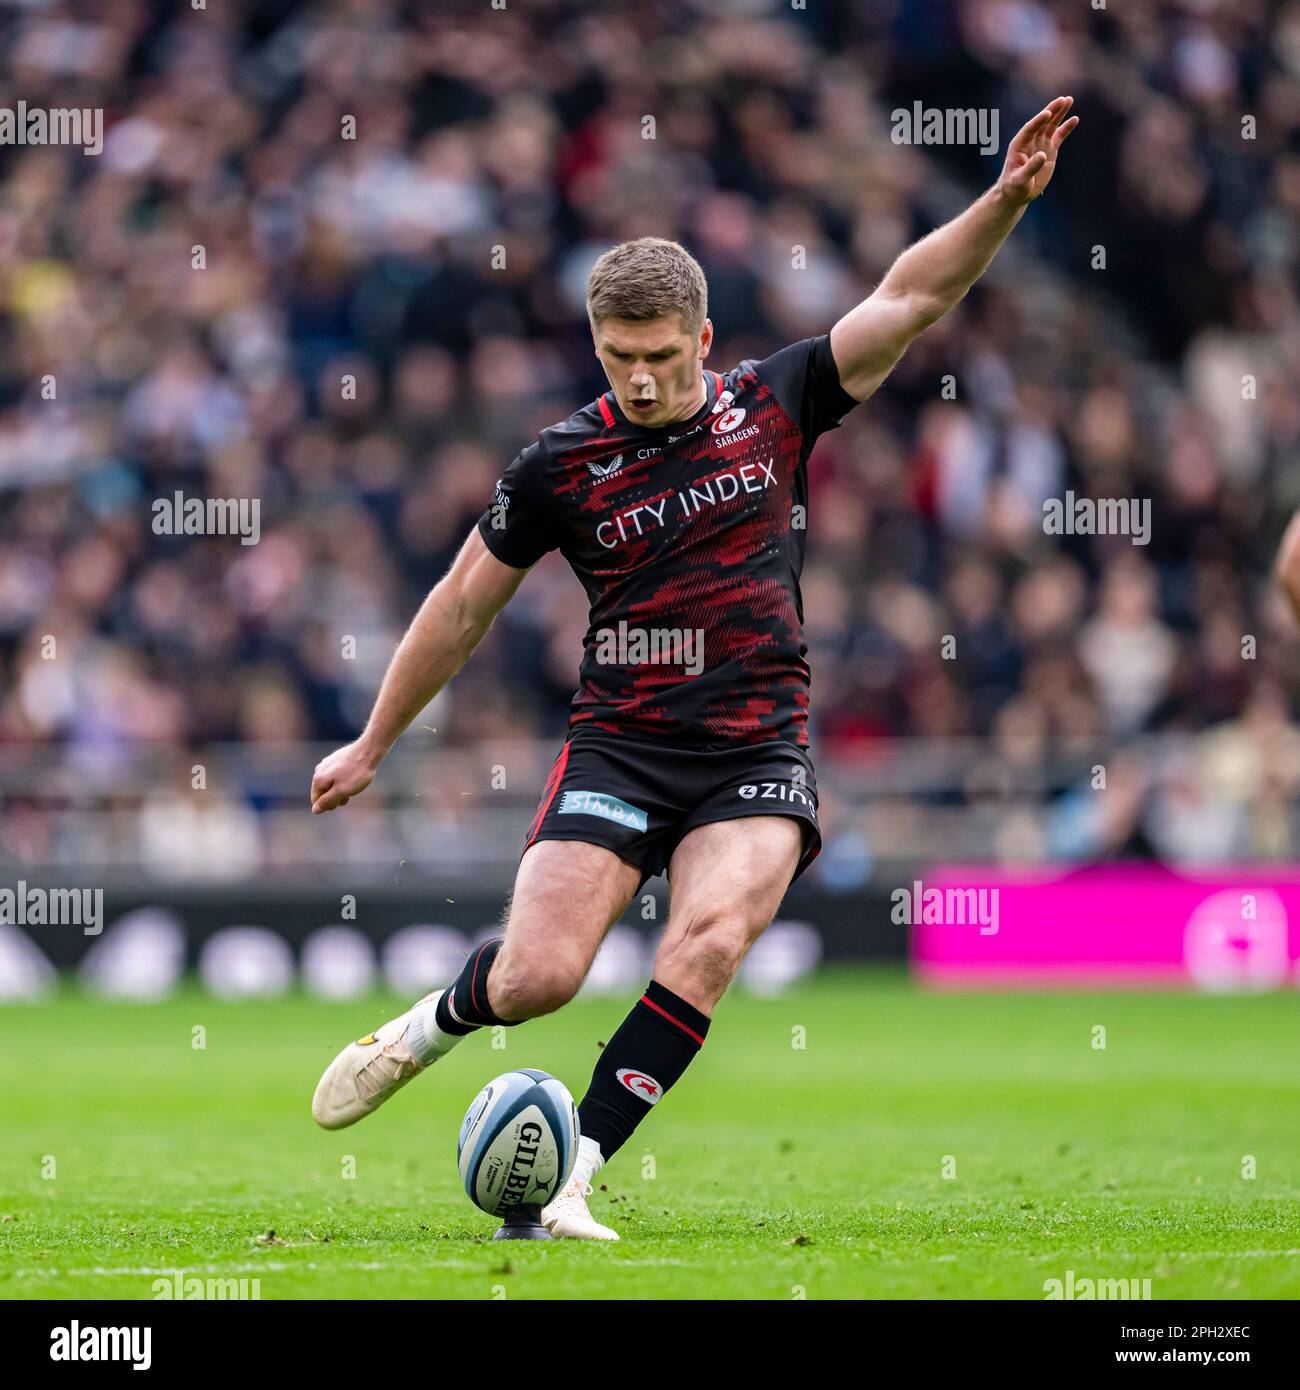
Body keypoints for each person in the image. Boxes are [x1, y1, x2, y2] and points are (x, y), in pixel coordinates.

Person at [309, 98, 1079, 1239]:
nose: (644, 381)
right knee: (538, 979)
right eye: (620, 359)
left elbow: (910, 299)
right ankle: (423, 1030)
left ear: (703, 342)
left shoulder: (773, 403)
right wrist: (374, 739)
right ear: (594, 345)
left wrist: (1003, 202)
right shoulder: (559, 464)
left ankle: (570, 1172)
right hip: (622, 739)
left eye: (663, 358)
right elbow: (463, 603)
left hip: (757, 744)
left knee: (709, 941)